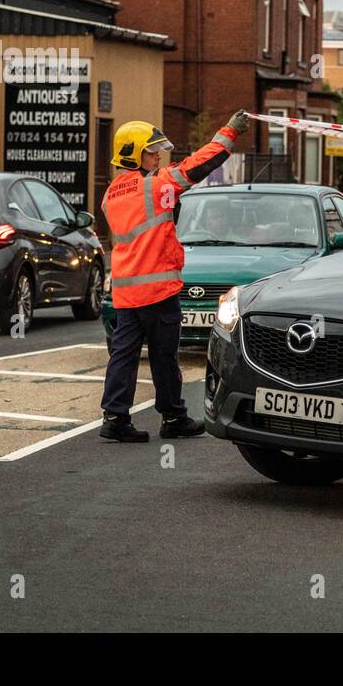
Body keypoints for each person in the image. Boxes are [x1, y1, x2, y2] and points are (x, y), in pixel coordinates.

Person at [99, 112, 252, 442]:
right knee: (164, 356)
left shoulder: (110, 195)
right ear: (133, 153)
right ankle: (173, 417)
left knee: (123, 355)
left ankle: (114, 416)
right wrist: (230, 131)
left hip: (127, 293)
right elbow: (199, 165)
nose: (158, 157)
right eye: (152, 151)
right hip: (158, 291)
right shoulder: (155, 186)